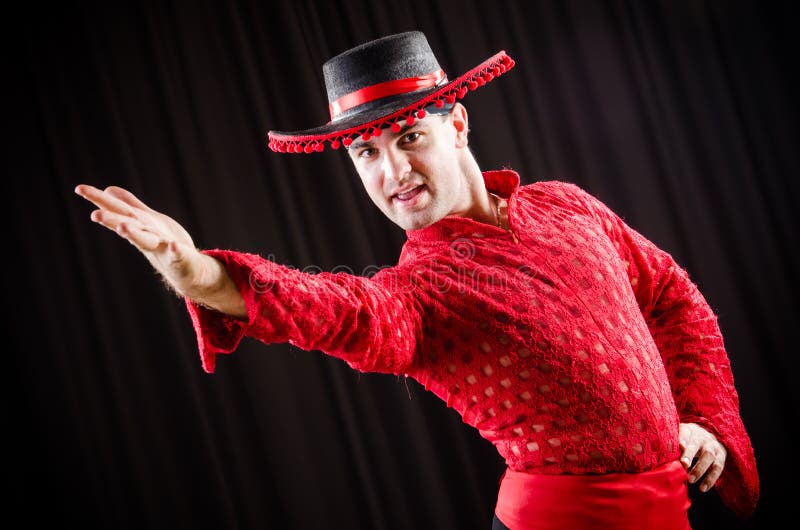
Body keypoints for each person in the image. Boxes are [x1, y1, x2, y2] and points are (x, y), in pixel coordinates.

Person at [74, 31, 759, 529]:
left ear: (455, 123)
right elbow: (336, 309)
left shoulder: (566, 205)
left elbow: (674, 299)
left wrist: (702, 419)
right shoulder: (421, 294)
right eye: (365, 151)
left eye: (408, 137)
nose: (392, 171)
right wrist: (193, 269)